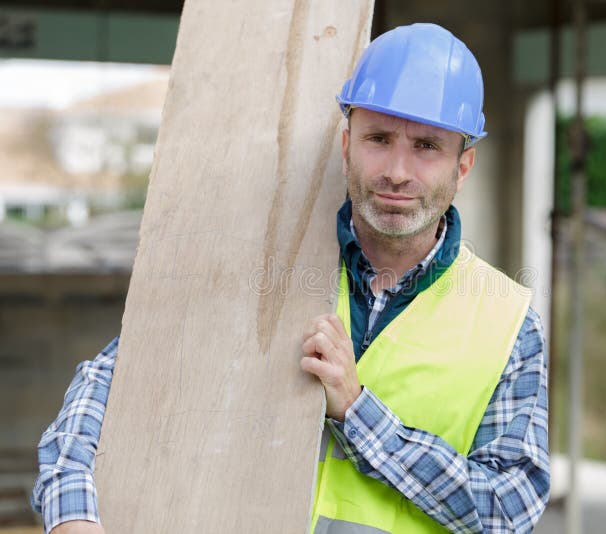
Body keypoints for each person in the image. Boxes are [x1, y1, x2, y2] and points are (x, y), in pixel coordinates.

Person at [32, 23, 550, 533]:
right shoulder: (252, 272)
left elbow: (509, 509)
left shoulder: (506, 321)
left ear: (463, 166)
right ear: (347, 144)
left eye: (426, 146)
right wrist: (73, 515)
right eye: (379, 138)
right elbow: (103, 392)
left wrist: (358, 414)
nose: (396, 169)